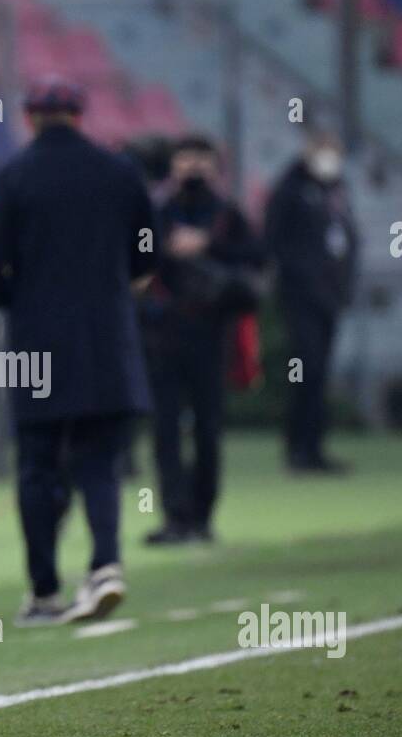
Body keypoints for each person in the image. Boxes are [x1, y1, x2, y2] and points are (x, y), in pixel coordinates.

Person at [0, 77, 155, 626]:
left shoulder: (14, 177)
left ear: (29, 117)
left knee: (36, 468)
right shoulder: (120, 172)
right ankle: (105, 566)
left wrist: (17, 302)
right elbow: (147, 250)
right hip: (107, 341)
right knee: (99, 461)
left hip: (38, 344)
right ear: (80, 114)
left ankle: (44, 590)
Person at [139, 136, 264, 545]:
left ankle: (203, 516)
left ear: (215, 167)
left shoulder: (227, 216)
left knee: (209, 430)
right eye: (185, 160)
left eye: (200, 161)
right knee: (166, 429)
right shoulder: (156, 212)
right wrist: (167, 250)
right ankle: (176, 516)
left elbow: (257, 257)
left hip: (212, 334)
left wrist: (208, 244)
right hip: (164, 333)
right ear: (172, 166)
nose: (192, 169)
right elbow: (136, 260)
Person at [263, 130, 358, 473]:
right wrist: (300, 276)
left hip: (330, 297)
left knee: (319, 374)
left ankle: (314, 447)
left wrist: (344, 286)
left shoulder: (336, 190)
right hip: (300, 295)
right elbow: (273, 241)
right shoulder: (290, 190)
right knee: (306, 369)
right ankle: (298, 447)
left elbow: (348, 238)